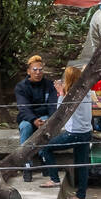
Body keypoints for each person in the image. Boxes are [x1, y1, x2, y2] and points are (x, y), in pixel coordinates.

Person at [39, 63, 93, 199]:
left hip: (74, 133)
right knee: (82, 164)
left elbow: (60, 113)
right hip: (86, 132)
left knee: (46, 148)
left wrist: (61, 93)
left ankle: (54, 179)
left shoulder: (71, 95)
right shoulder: (85, 90)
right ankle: (81, 195)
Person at [14, 54, 59, 183]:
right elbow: (23, 108)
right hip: (28, 117)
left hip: (44, 116)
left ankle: (44, 157)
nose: (38, 73)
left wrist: (49, 120)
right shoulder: (21, 87)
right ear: (29, 71)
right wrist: (33, 119)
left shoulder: (49, 85)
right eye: (35, 70)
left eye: (40, 69)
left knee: (46, 126)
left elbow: (52, 105)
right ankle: (26, 163)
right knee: (25, 127)